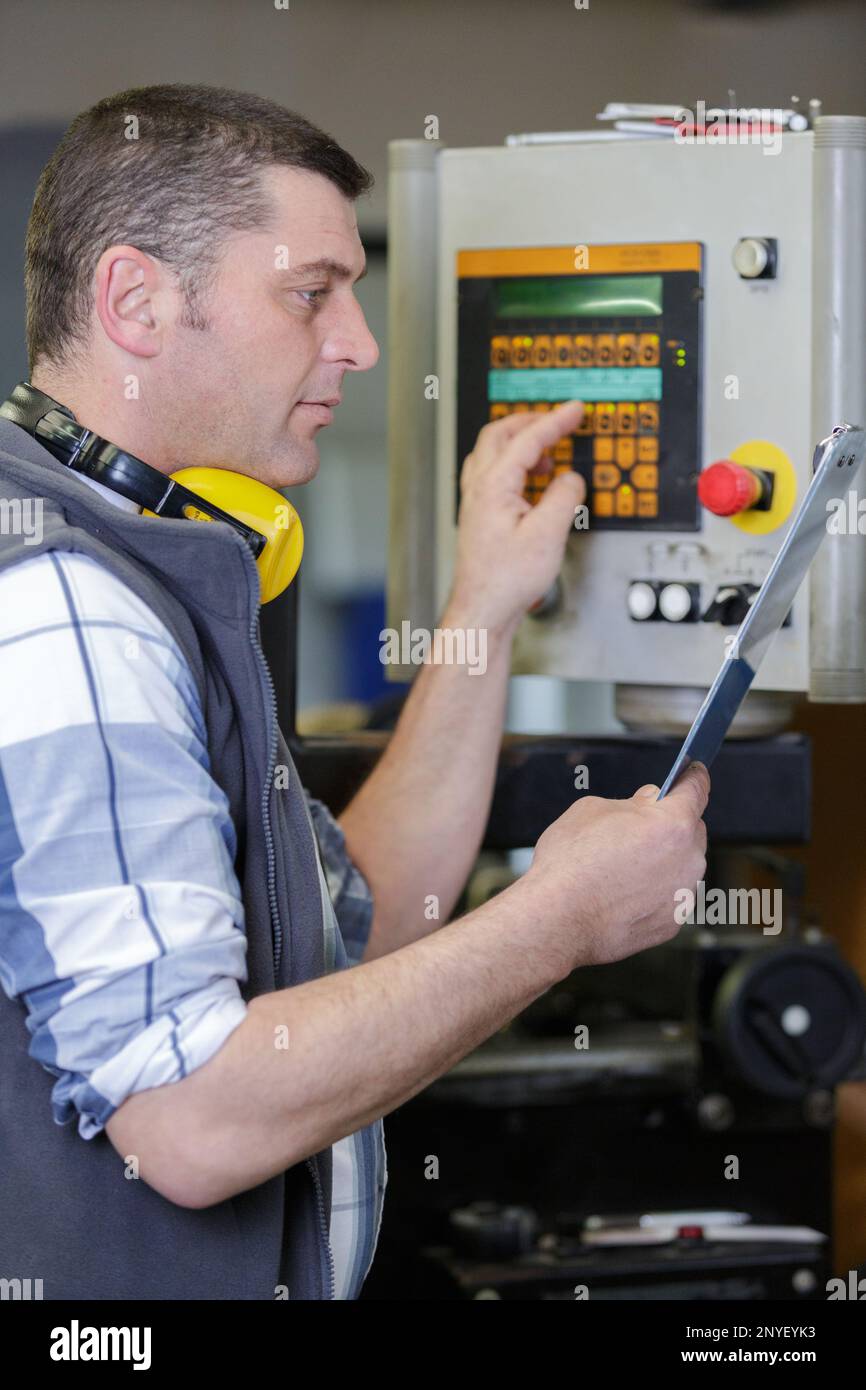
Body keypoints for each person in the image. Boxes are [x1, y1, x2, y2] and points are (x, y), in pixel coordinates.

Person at [0, 84, 708, 1300]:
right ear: (135, 301)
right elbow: (191, 1123)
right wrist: (560, 921)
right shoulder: (68, 613)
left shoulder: (145, 568)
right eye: (311, 292)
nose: (359, 344)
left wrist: (481, 608)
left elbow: (355, 918)